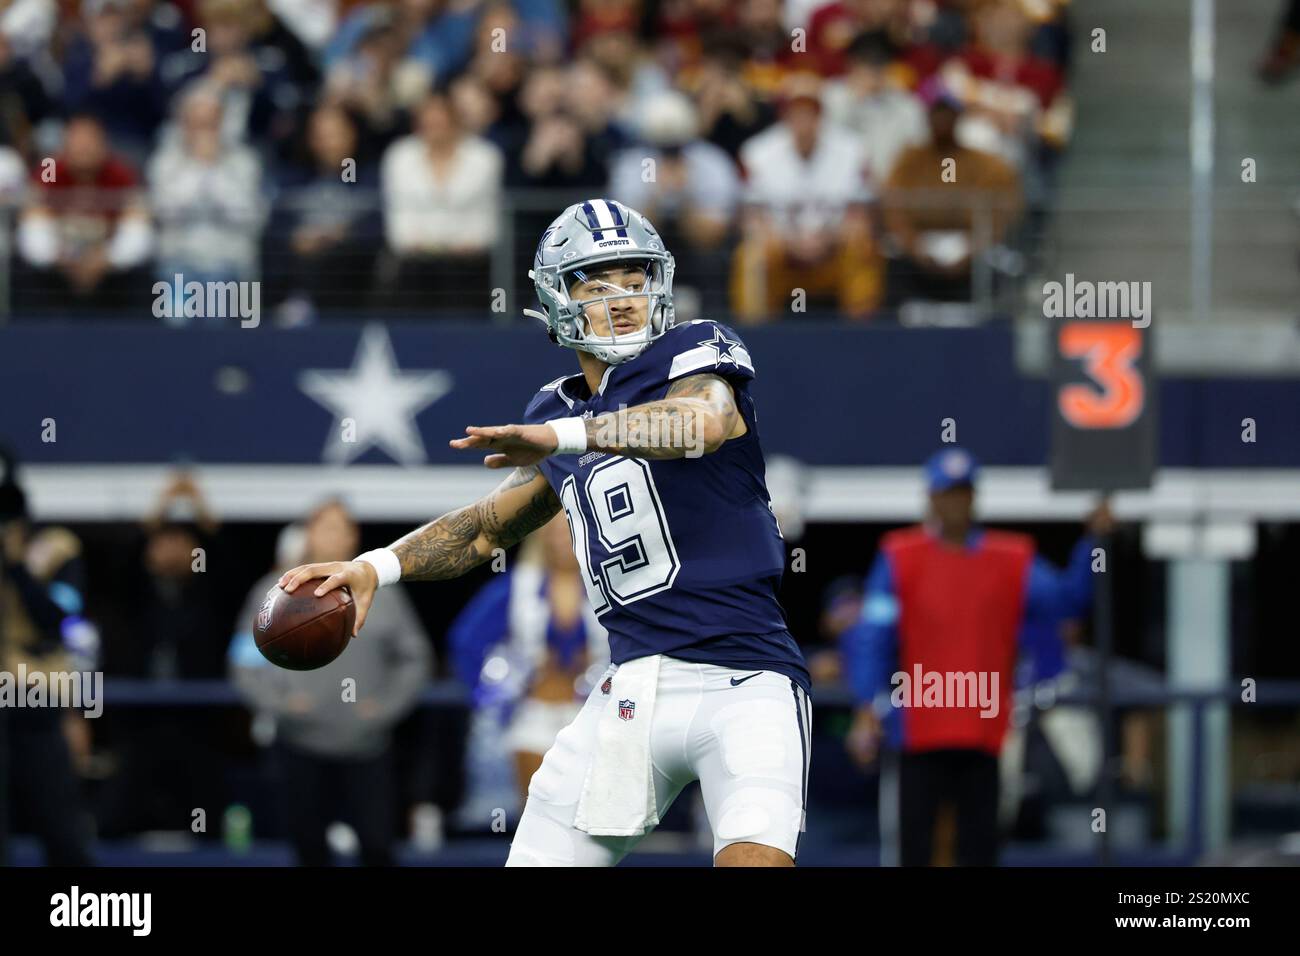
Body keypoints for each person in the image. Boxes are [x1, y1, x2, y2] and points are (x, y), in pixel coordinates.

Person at [280, 197, 811, 867]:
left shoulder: (696, 354)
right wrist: (374, 567)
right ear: (557, 300)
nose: (621, 298)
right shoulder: (557, 413)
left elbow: (699, 424)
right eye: (596, 283)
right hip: (629, 690)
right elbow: (481, 531)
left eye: (635, 278)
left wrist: (567, 436)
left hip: (746, 681)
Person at [841, 447, 1112, 866]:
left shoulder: (1011, 559)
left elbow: (1067, 602)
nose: (954, 503)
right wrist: (866, 706)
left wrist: (1094, 543)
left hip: (984, 729)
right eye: (946, 493)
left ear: (974, 498)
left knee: (980, 850)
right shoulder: (900, 555)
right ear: (931, 498)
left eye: (962, 493)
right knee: (914, 848)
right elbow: (873, 636)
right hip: (919, 729)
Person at [230, 499, 431, 866]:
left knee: (376, 847)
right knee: (307, 849)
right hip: (299, 743)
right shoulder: (273, 593)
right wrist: (280, 704)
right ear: (308, 533)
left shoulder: (382, 592)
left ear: (354, 536)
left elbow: (415, 658)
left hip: (367, 745)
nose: (334, 537)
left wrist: (385, 708)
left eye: (342, 528)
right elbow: (243, 661)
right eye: (326, 527)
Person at [450, 514, 608, 804]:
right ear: (541, 536)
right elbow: (466, 642)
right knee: (537, 808)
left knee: (587, 809)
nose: (561, 540)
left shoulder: (611, 586)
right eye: (553, 532)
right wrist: (495, 692)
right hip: (532, 715)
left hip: (592, 716)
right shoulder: (517, 588)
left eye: (569, 531)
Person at [0, 449, 94, 866]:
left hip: (35, 696)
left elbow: (58, 617)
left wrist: (15, 564)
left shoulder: (56, 547)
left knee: (62, 831)